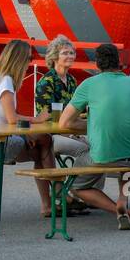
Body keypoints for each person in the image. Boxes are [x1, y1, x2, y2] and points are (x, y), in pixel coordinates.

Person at [59, 42, 130, 229]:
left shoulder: (88, 85)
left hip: (104, 157)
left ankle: (120, 210)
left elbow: (64, 123)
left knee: (76, 186)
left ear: (97, 64)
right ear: (119, 62)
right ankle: (124, 200)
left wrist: (93, 124)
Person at [0, 40, 56, 217]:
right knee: (45, 142)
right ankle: (56, 194)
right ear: (19, 60)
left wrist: (29, 133)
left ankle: (51, 201)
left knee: (42, 144)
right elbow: (12, 118)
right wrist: (36, 119)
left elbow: (6, 119)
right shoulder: (7, 81)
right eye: (28, 58)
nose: (30, 63)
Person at [32, 35, 90, 166]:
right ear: (54, 57)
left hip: (69, 130)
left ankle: (83, 182)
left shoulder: (71, 80)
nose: (70, 56)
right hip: (51, 135)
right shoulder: (46, 82)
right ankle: (77, 183)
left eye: (72, 53)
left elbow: (78, 109)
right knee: (85, 149)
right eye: (65, 53)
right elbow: (47, 117)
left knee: (98, 146)